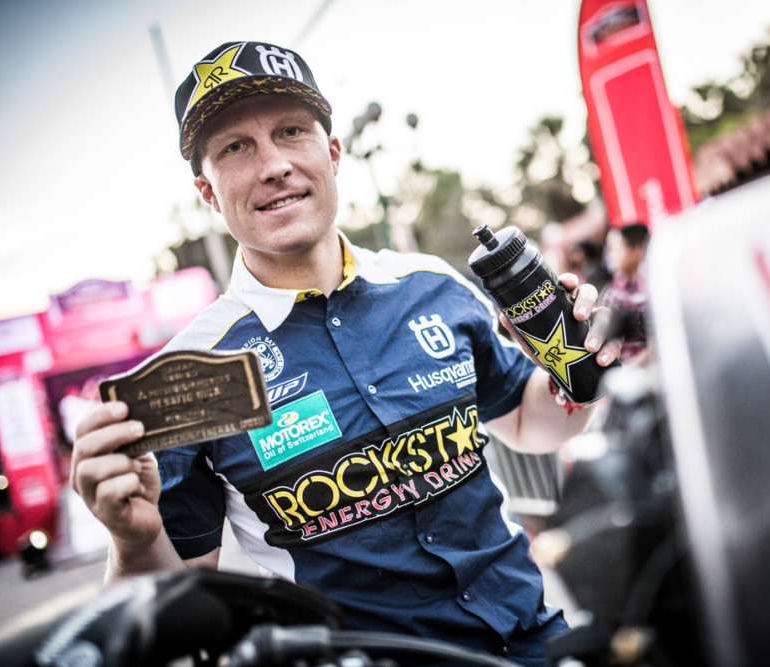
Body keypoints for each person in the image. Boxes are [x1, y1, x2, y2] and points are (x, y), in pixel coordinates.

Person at [70, 41, 622, 665]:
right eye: (236, 147)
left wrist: (578, 364)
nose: (274, 165)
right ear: (208, 190)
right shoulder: (190, 376)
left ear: (332, 152)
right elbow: (166, 614)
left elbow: (528, 423)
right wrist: (131, 539)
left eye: (291, 131)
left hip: (539, 643)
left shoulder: (431, 285)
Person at [598, 222, 650, 363]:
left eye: (614, 249)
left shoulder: (652, 287)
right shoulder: (616, 286)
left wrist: (629, 368)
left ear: (637, 250)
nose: (608, 256)